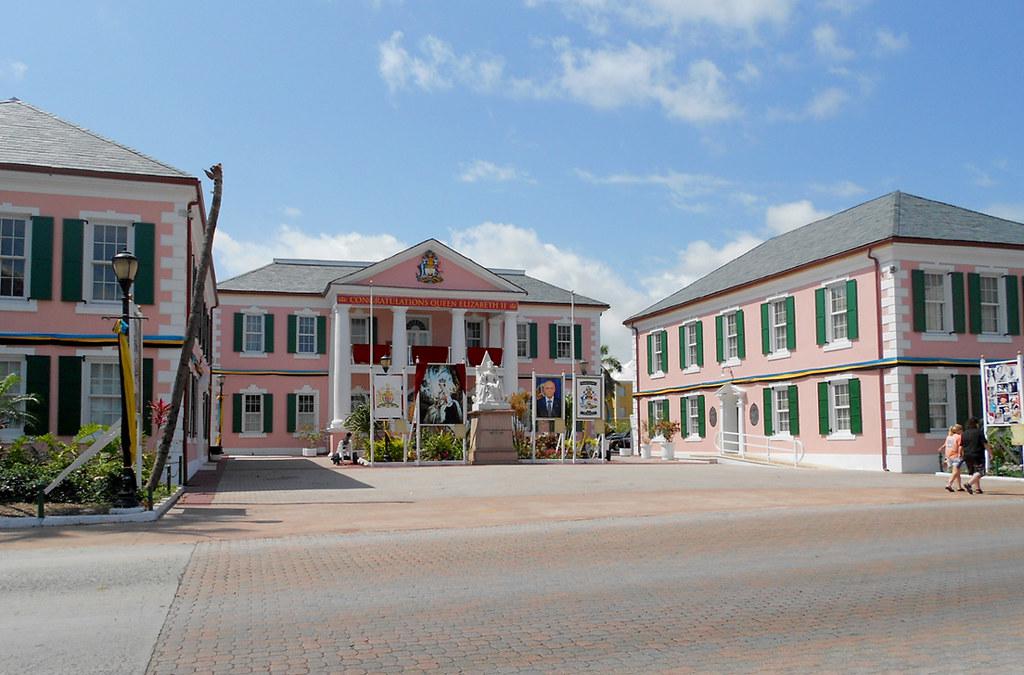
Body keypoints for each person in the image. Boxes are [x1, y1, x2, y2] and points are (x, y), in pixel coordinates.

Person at [961, 418, 989, 494]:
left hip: (967, 455)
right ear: (976, 424)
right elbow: (985, 443)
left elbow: (962, 445)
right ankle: (969, 484)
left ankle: (978, 488)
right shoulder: (979, 432)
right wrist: (990, 453)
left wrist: (962, 454)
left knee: (974, 472)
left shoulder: (964, 433)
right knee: (981, 472)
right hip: (977, 454)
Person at [940, 424, 964, 492]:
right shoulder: (959, 437)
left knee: (957, 472)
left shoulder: (949, 437)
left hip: (949, 455)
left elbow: (946, 445)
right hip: (955, 455)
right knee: (955, 471)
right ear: (959, 430)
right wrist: (960, 454)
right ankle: (949, 485)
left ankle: (959, 486)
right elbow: (960, 446)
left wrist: (942, 449)